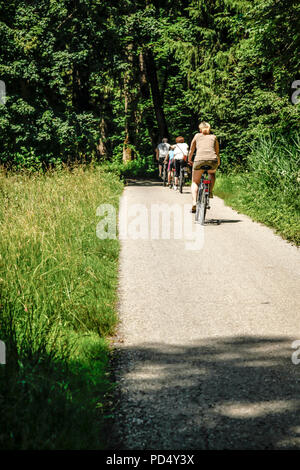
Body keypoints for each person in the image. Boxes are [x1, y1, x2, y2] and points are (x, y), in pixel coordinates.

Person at [188, 122, 220, 212]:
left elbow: (191, 150)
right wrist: (218, 162)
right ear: (209, 129)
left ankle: (194, 202)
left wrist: (189, 159)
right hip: (212, 160)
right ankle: (209, 191)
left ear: (200, 129)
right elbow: (217, 152)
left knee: (195, 181)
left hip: (199, 160)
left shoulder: (197, 136)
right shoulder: (214, 137)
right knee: (212, 173)